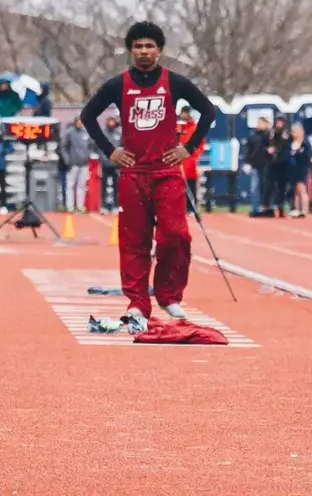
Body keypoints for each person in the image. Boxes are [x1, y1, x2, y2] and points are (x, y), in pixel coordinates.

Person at [79, 21, 218, 328]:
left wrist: (188, 148)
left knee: (176, 236)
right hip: (134, 173)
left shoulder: (175, 83)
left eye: (150, 46)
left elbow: (208, 112)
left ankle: (169, 295)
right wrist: (111, 150)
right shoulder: (118, 84)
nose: (144, 51)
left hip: (167, 172)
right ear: (130, 50)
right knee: (134, 241)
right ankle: (138, 302)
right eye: (138, 46)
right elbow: (87, 115)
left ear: (160, 50)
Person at [59, 116, 93, 213]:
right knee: (70, 185)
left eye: (81, 121)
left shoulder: (86, 132)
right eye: (78, 121)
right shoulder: (69, 132)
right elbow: (63, 147)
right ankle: (70, 206)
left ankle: (80, 206)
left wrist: (88, 155)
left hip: (84, 163)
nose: (80, 123)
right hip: (72, 163)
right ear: (75, 122)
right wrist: (67, 160)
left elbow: (91, 146)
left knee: (81, 186)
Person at [243, 115, 275, 217]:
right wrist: (247, 162)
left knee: (266, 187)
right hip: (255, 165)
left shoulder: (269, 135)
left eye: (262, 123)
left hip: (267, 165)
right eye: (259, 122)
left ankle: (267, 207)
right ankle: (255, 208)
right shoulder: (253, 135)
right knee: (254, 188)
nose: (259, 125)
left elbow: (272, 145)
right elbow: (249, 149)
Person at [176, 106, 204, 208]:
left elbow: (200, 144)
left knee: (191, 185)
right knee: (178, 185)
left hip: (190, 161)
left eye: (185, 113)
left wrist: (194, 156)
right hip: (178, 160)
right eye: (182, 113)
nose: (183, 115)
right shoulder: (177, 126)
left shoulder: (194, 127)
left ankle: (191, 207)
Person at [266, 116, 292, 215]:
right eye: (278, 122)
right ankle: (271, 207)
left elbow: (287, 147)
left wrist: (279, 150)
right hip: (272, 163)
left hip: (283, 163)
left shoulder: (286, 134)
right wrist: (268, 149)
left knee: (282, 186)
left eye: (281, 122)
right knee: (271, 186)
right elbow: (265, 144)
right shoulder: (271, 134)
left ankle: (281, 206)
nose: (279, 124)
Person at [286, 121, 311, 218]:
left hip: (302, 168)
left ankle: (304, 209)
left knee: (302, 188)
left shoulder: (305, 143)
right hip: (293, 169)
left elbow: (308, 155)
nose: (294, 133)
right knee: (295, 190)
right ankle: (296, 208)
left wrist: (299, 152)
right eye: (293, 132)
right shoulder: (291, 143)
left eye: (296, 131)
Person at [98, 116, 123, 213]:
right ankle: (104, 206)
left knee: (116, 186)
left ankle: (115, 205)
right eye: (110, 121)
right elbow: (98, 146)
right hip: (105, 163)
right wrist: (102, 157)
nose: (111, 123)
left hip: (115, 165)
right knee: (104, 186)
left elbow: (122, 146)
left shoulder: (118, 133)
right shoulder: (103, 133)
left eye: (113, 121)